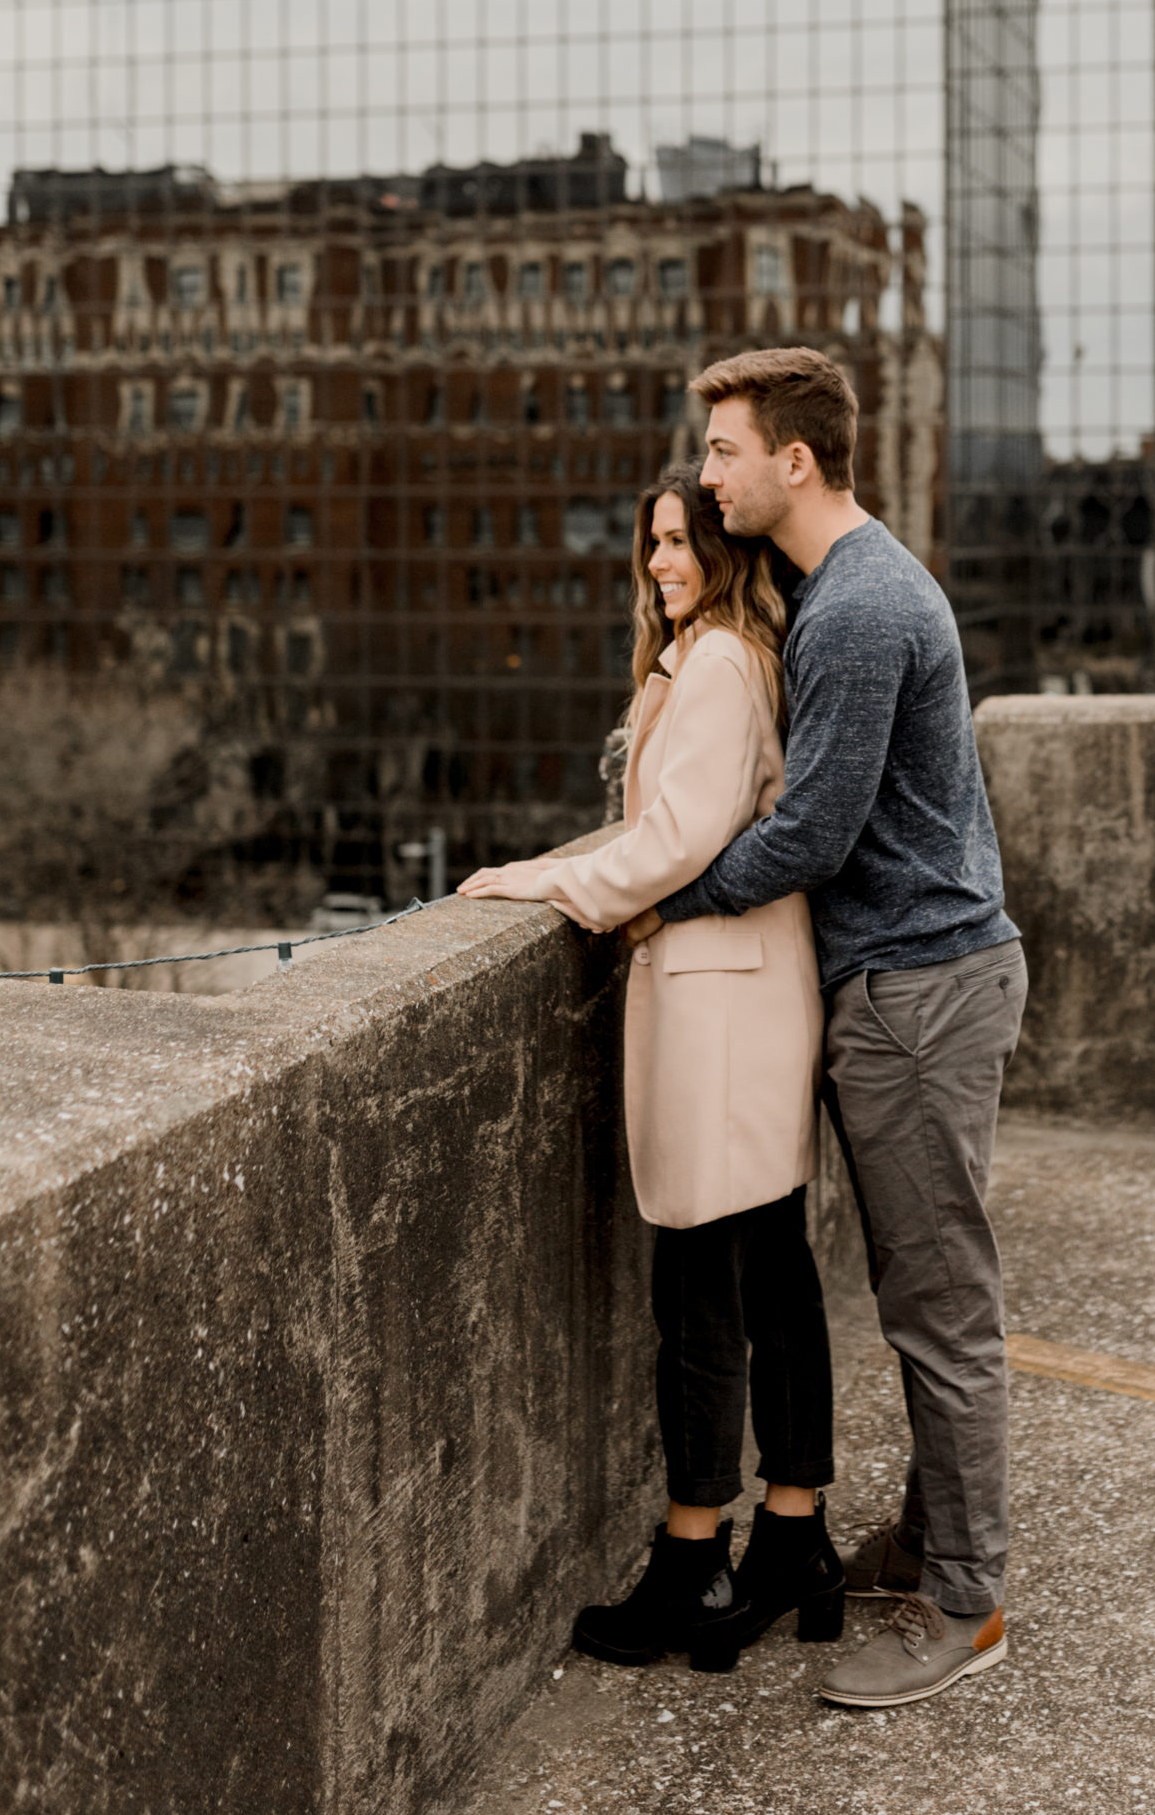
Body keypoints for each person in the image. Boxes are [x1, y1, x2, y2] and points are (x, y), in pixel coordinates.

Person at [621, 348, 1028, 1712]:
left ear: (792, 462)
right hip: (917, 978)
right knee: (923, 1291)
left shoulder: (853, 609)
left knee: (936, 1308)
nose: (710, 471)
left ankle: (962, 1600)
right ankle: (924, 1538)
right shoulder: (845, 584)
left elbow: (811, 830)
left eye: (724, 449)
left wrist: (662, 896)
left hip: (916, 987)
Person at [457, 461, 846, 1675]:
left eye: (681, 539)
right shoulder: (721, 656)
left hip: (722, 1000)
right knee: (769, 1275)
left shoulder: (723, 662)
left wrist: (543, 878)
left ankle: (692, 1559)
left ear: (724, 549)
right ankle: (794, 1536)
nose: (662, 562)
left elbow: (674, 840)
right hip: (751, 993)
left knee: (700, 1289)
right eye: (651, 544)